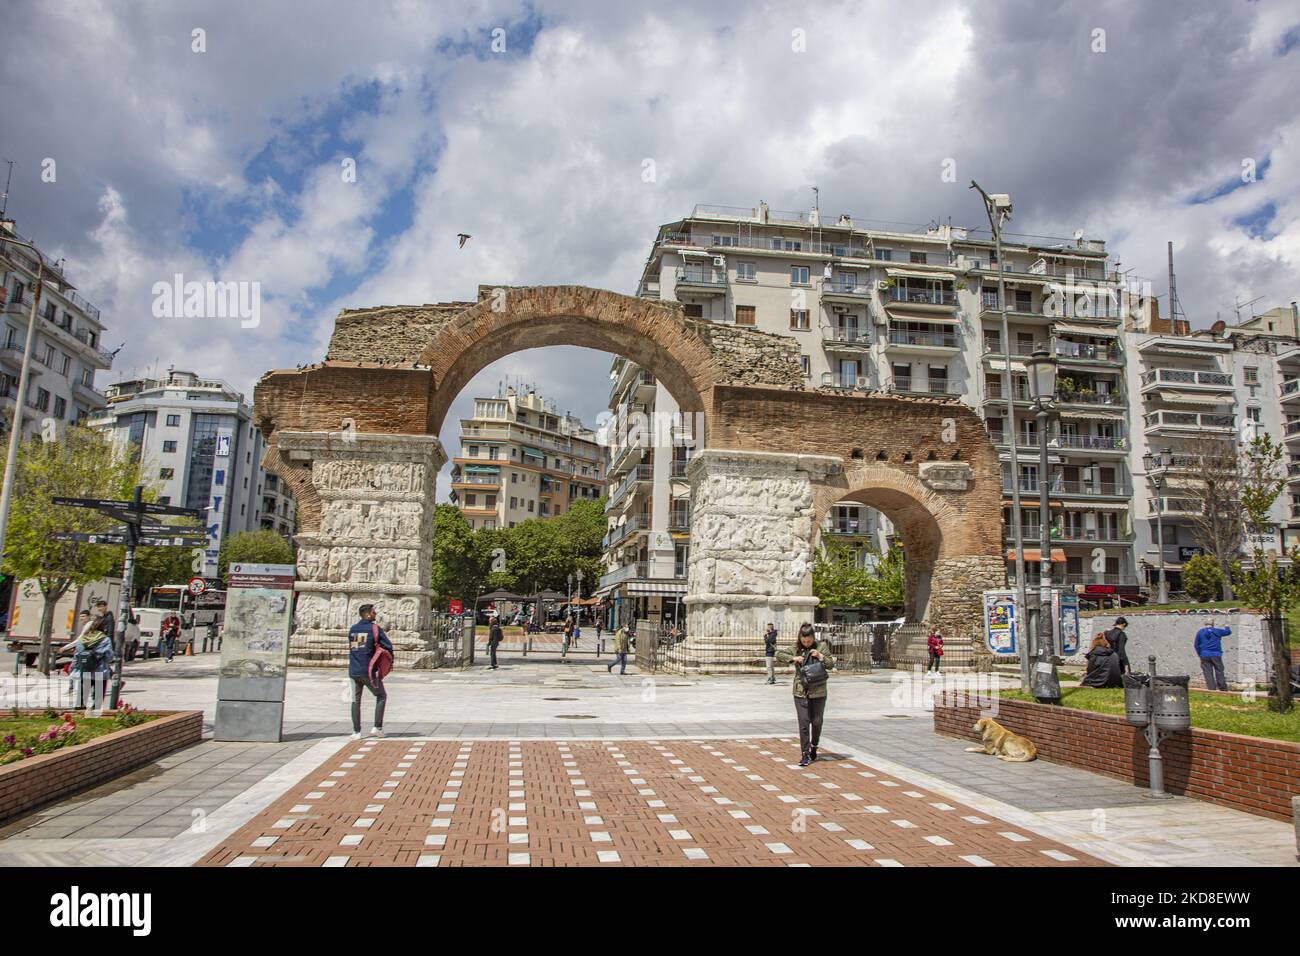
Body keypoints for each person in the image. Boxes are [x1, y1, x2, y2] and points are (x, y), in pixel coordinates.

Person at [775, 623, 836, 766]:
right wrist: (793, 658)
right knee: (803, 722)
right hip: (801, 690)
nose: (807, 643)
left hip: (818, 690)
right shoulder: (796, 648)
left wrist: (820, 656)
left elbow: (830, 664)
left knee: (817, 721)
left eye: (809, 641)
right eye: (804, 641)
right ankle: (805, 753)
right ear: (800, 639)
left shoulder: (821, 647)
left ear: (813, 638)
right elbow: (779, 654)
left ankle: (814, 745)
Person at [347, 604, 393, 740]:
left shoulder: (353, 629)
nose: (375, 614)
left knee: (355, 700)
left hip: (354, 670)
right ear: (366, 614)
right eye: (373, 612)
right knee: (381, 696)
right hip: (369, 670)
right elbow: (388, 646)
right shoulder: (374, 629)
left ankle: (356, 731)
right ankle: (377, 727)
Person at [1194, 618, 1232, 691]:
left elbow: (1196, 644)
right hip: (1216, 654)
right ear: (1213, 624)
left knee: (1208, 672)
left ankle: (1212, 689)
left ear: (1205, 624)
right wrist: (1227, 626)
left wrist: (1200, 654)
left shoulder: (1200, 632)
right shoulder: (1217, 631)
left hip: (1204, 654)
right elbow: (1228, 632)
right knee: (1219, 670)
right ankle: (1222, 688)